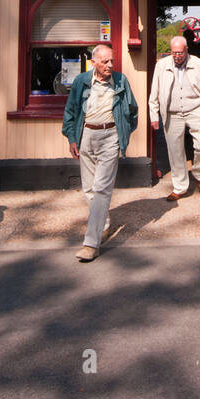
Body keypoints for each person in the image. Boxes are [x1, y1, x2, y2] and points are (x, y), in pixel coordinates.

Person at [61, 44, 138, 262]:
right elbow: (71, 111)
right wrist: (72, 138)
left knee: (102, 188)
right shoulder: (81, 82)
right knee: (89, 188)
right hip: (86, 136)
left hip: (110, 137)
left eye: (111, 61)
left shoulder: (121, 81)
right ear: (93, 62)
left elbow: (133, 111)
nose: (110, 65)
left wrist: (122, 133)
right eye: (105, 62)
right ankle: (103, 224)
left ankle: (90, 243)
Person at [149, 35, 200, 201]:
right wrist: (154, 114)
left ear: (186, 50)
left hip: (196, 110)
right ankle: (180, 187)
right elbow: (154, 92)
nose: (177, 56)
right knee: (175, 151)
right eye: (174, 52)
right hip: (172, 113)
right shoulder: (161, 65)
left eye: (180, 52)